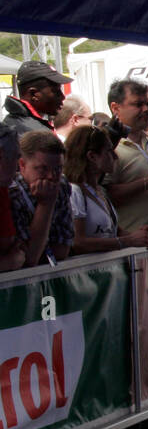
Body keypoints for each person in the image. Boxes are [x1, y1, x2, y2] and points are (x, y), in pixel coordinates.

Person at [64, 125, 148, 255]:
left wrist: (142, 236)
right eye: (109, 151)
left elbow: (113, 232)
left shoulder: (99, 191)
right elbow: (78, 242)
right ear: (92, 156)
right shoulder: (74, 191)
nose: (115, 157)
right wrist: (128, 240)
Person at [104, 79, 148, 236]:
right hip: (132, 248)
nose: (146, 109)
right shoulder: (107, 146)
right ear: (115, 108)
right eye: (137, 104)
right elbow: (102, 195)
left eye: (147, 103)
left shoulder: (146, 139)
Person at [9, 130, 74, 266]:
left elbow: (63, 248)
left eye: (58, 168)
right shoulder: (11, 194)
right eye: (42, 169)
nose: (51, 176)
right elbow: (29, 258)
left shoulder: (61, 184)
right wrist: (46, 204)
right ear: (22, 165)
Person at [2, 60, 70, 137]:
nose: (63, 96)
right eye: (56, 91)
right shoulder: (37, 135)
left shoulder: (10, 124)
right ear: (34, 94)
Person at [0, 125, 26, 271]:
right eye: (16, 158)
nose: (18, 168)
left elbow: (8, 242)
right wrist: (5, 264)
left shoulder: (3, 189)